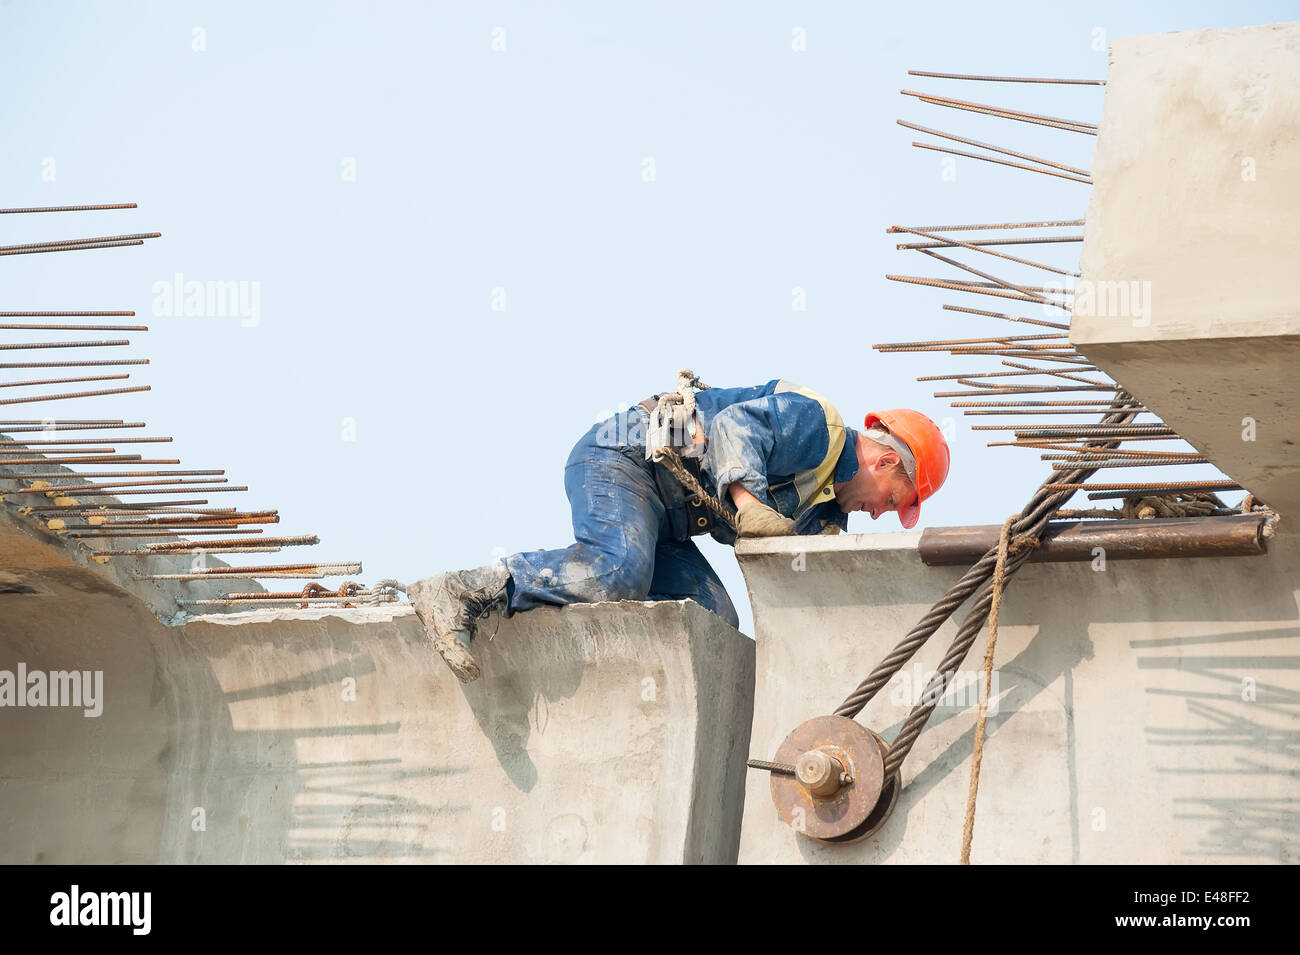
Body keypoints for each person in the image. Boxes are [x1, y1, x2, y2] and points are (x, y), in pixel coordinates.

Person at [408, 378, 950, 683]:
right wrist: (747, 502)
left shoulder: (825, 514)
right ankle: (465, 589)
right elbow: (735, 427)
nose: (882, 515)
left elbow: (795, 588)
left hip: (666, 521)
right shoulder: (820, 427)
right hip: (624, 458)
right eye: (895, 502)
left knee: (716, 624)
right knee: (618, 571)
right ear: (883, 464)